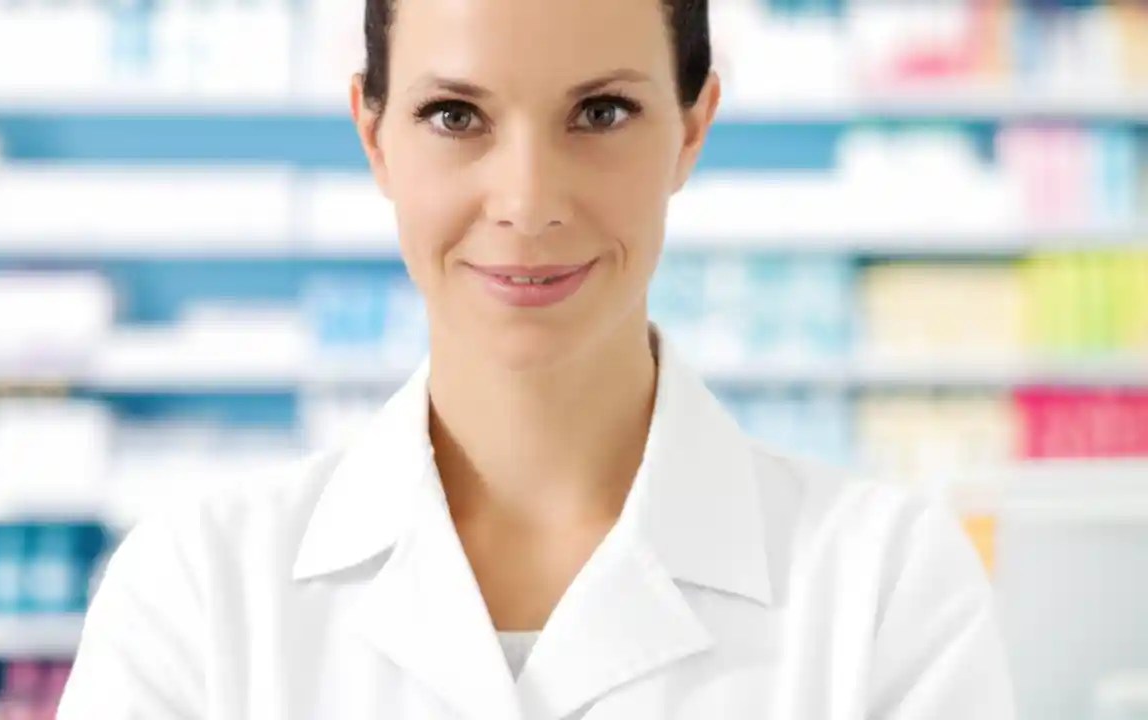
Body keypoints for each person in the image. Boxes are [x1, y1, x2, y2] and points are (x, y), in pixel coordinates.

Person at [57, 0, 1016, 717]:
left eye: (599, 113)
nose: (526, 201)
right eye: (454, 116)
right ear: (373, 134)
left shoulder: (884, 588)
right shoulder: (196, 593)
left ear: (691, 128)